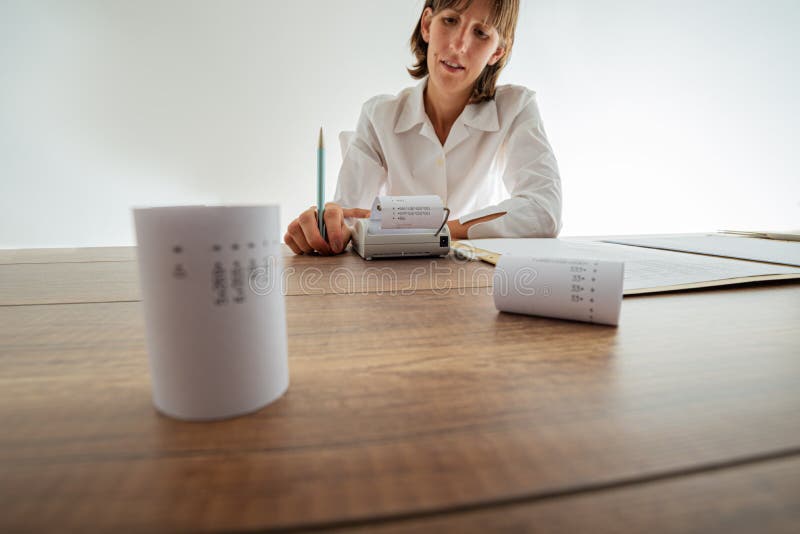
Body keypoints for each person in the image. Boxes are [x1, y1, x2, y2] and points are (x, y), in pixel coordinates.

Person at [284, 0, 561, 255]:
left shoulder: (516, 107)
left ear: (498, 50)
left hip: (477, 282)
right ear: (427, 24)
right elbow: (348, 220)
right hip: (395, 284)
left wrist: (438, 231)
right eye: (450, 20)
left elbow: (545, 210)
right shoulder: (378, 116)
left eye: (481, 33)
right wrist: (328, 225)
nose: (459, 45)